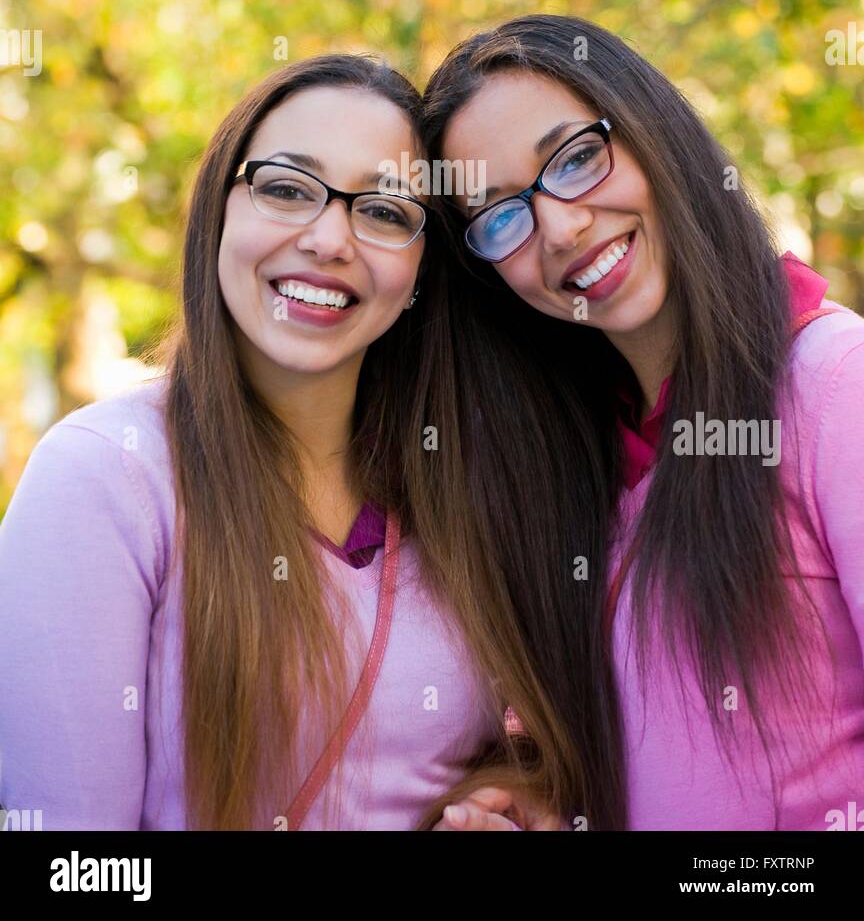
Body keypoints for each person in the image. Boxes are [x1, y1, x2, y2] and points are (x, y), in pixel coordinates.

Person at [0, 54, 562, 831]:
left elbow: (514, 756)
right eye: (288, 189)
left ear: (422, 272)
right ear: (221, 211)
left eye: (385, 212)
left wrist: (510, 797)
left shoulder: (461, 486)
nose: (330, 238)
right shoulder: (104, 476)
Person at [422, 14, 864, 831]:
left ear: (654, 128)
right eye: (500, 214)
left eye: (577, 158)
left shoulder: (837, 385)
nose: (560, 227)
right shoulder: (583, 464)